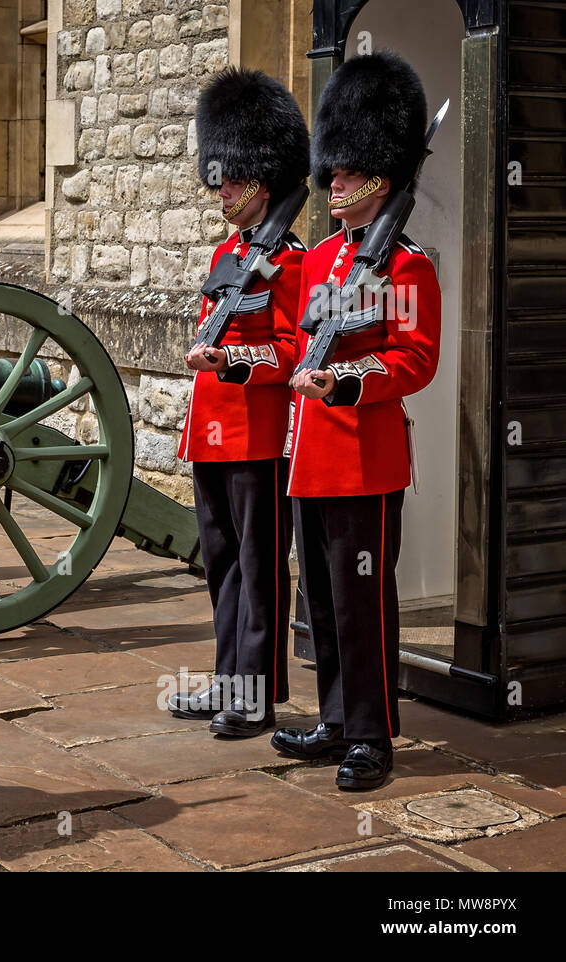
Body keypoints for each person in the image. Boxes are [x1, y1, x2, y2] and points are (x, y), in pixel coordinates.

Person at [273, 52, 440, 790]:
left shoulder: (408, 267)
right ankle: (336, 718)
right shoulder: (320, 263)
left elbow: (415, 362)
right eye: (330, 175)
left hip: (366, 458)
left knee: (363, 599)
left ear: (378, 177)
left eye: (343, 176)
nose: (331, 185)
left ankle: (373, 735)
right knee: (324, 600)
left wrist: (345, 380)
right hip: (311, 456)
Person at [169, 67, 308, 736]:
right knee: (221, 564)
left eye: (234, 179)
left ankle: (257, 696)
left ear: (266, 178)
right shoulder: (230, 251)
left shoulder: (293, 260)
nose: (222, 189)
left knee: (259, 573)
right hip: (214, 433)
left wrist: (233, 363)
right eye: (218, 178)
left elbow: (290, 351)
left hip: (258, 433)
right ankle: (229, 681)